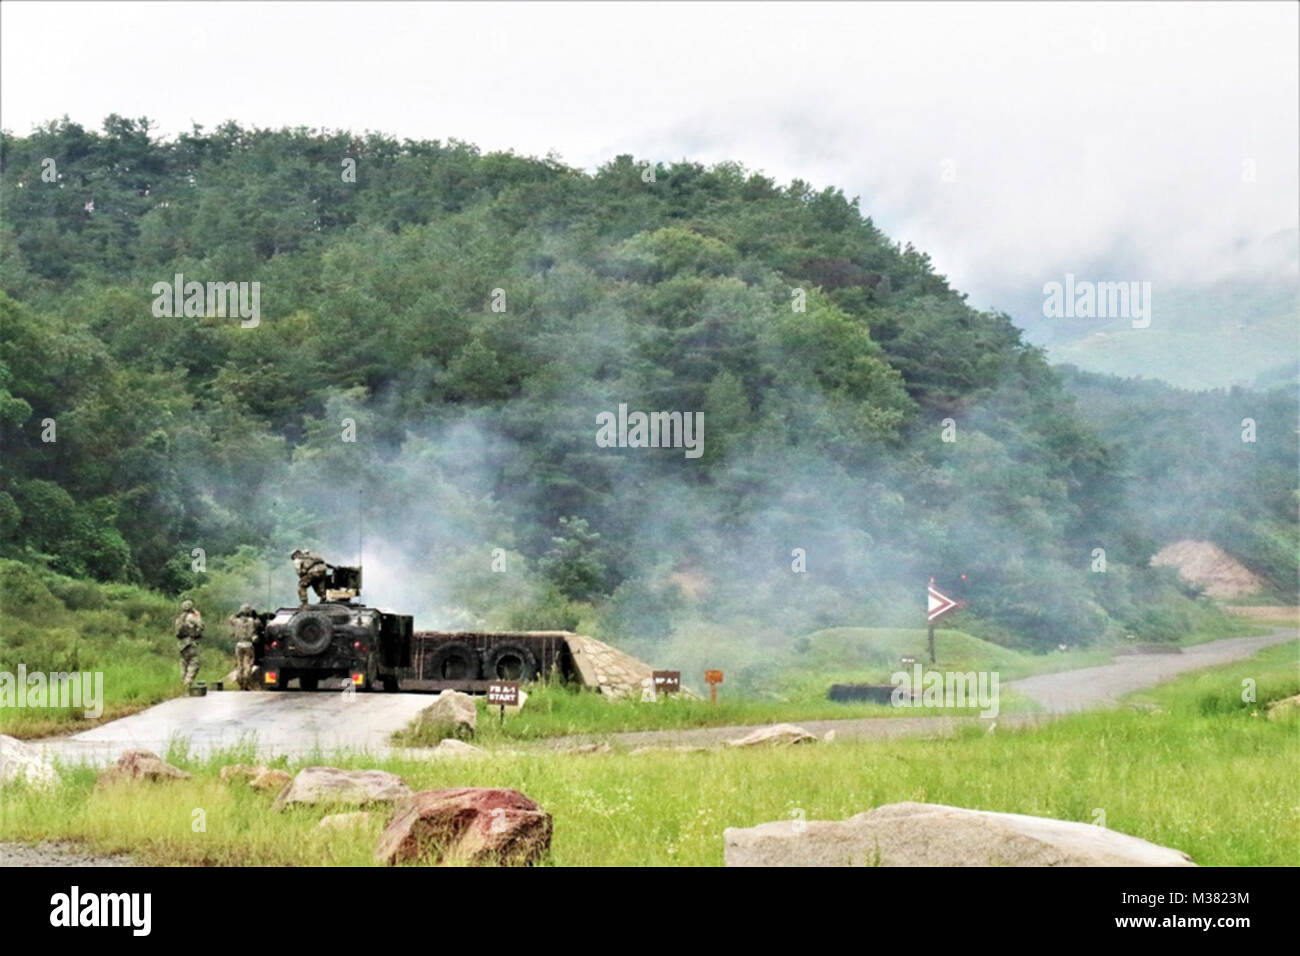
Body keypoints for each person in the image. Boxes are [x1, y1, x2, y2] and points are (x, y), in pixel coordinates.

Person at [228, 603, 260, 690]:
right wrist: (255, 614)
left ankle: (240, 682)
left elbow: (230, 619)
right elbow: (259, 623)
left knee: (239, 664)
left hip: (239, 644)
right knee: (248, 664)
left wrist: (237, 614)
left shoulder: (236, 621)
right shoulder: (252, 621)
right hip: (249, 644)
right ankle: (246, 682)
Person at [174, 599, 204, 688]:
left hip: (180, 644)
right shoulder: (191, 616)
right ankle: (187, 683)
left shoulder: (179, 618)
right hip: (190, 643)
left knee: (184, 664)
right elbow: (201, 625)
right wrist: (198, 616)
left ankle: (182, 684)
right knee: (194, 662)